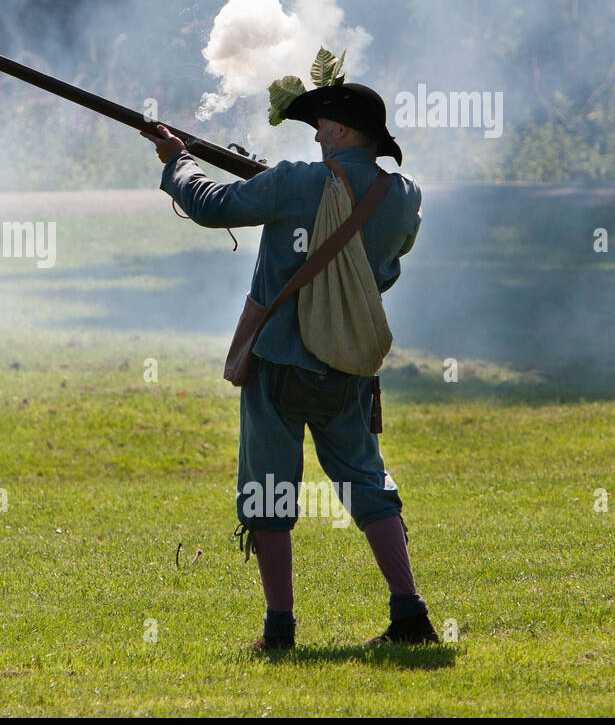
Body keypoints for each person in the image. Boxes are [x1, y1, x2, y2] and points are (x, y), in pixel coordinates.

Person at [145, 84, 438, 650]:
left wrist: (176, 159)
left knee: (268, 491)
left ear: (343, 132)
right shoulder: (402, 194)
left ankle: (279, 629)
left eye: (322, 124)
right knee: (367, 483)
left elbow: (211, 206)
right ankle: (410, 613)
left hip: (278, 359)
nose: (316, 133)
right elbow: (387, 260)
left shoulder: (295, 182)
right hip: (349, 363)